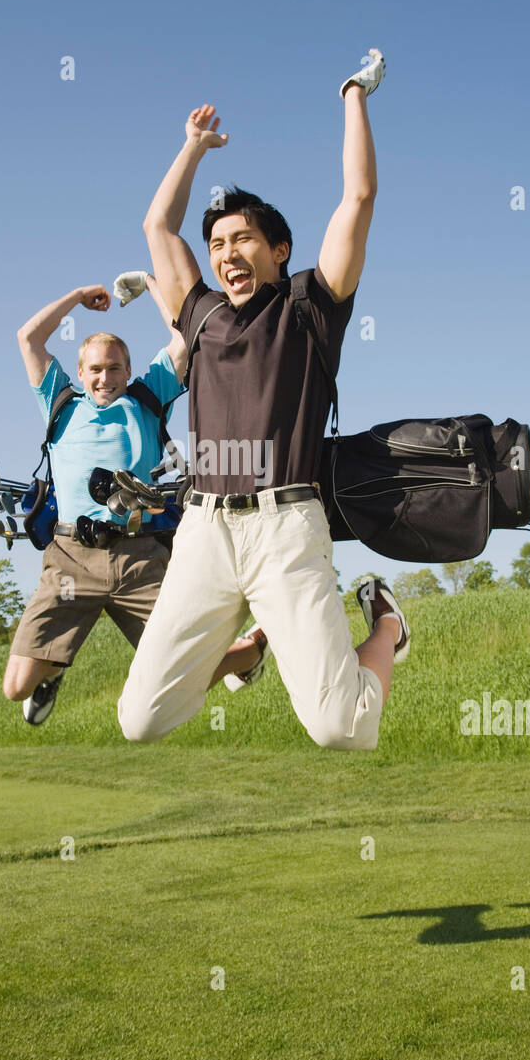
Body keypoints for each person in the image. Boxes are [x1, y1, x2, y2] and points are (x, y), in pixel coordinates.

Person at [118, 49, 411, 751]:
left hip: (286, 528)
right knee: (140, 721)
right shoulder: (202, 316)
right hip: (204, 533)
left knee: (341, 730)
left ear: (279, 249)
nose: (226, 253)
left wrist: (351, 96)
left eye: (243, 238)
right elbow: (158, 228)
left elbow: (359, 199)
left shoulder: (311, 307)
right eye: (217, 244)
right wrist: (192, 147)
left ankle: (390, 628)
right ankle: (252, 650)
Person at [3, 278, 264, 725]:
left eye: (116, 368)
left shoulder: (148, 399)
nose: (106, 378)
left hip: (140, 559)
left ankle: (252, 652)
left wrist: (152, 284)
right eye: (97, 370)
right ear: (81, 374)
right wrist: (77, 298)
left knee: (181, 675)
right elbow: (28, 337)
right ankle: (52, 669)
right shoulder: (60, 403)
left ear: (129, 370)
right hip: (71, 559)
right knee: (15, 687)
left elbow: (188, 335)